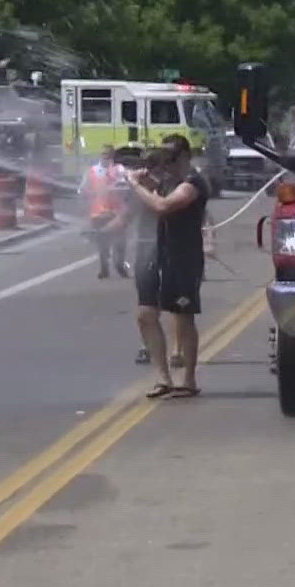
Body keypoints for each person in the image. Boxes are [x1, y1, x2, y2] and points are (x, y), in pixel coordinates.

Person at [128, 136, 208, 399]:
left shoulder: (192, 183)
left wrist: (135, 185)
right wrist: (143, 179)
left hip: (183, 257)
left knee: (183, 317)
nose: (167, 164)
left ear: (185, 156)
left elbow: (163, 206)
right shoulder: (165, 181)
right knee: (145, 314)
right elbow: (153, 195)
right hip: (154, 254)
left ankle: (188, 380)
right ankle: (163, 378)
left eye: (172, 158)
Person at [82, 147, 131, 279]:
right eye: (103, 155)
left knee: (120, 243)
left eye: (108, 155)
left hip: (116, 214)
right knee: (102, 244)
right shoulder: (92, 171)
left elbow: (126, 185)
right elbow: (83, 189)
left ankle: (119, 265)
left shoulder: (119, 170)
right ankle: (104, 269)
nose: (105, 158)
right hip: (98, 213)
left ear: (113, 157)